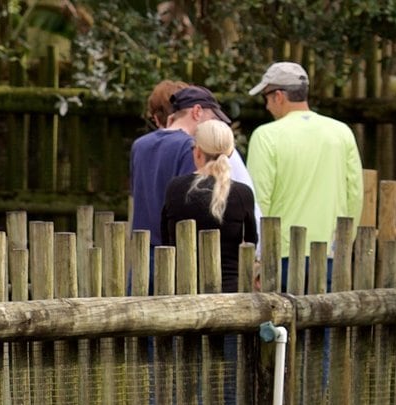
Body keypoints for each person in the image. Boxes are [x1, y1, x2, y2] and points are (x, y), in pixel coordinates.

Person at [247, 61, 365, 259]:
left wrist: (259, 254)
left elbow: (259, 198)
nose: (266, 105)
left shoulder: (265, 135)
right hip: (330, 250)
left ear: (278, 96)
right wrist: (344, 241)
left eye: (265, 97)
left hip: (282, 251)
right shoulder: (341, 132)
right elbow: (355, 194)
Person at [130, 86, 253, 245]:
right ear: (197, 111)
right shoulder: (192, 148)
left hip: (142, 250)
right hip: (176, 254)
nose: (214, 126)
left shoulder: (140, 145)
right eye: (213, 119)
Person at [160, 119, 256, 290]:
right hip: (231, 290)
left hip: (184, 288)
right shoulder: (243, 193)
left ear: (197, 152)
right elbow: (251, 242)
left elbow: (166, 239)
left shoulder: (175, 188)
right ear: (230, 152)